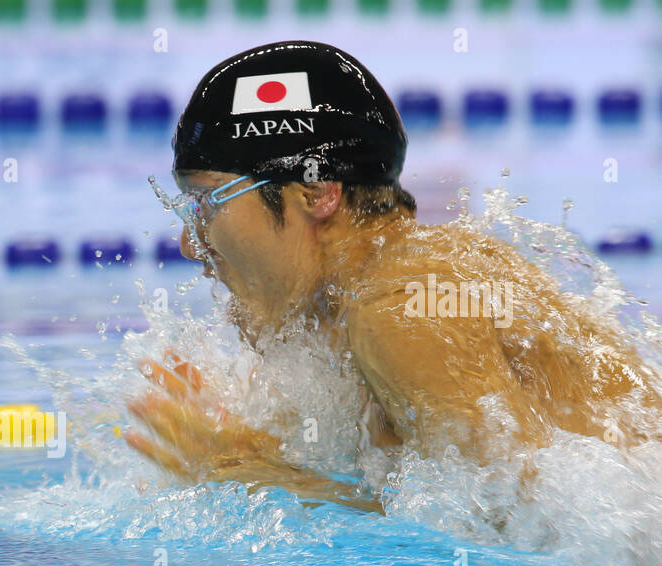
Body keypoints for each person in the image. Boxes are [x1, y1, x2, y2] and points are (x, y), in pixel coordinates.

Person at [126, 40, 662, 514]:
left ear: (317, 192)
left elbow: (523, 525)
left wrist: (255, 472)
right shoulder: (369, 295)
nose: (189, 242)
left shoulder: (400, 306)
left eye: (205, 201)